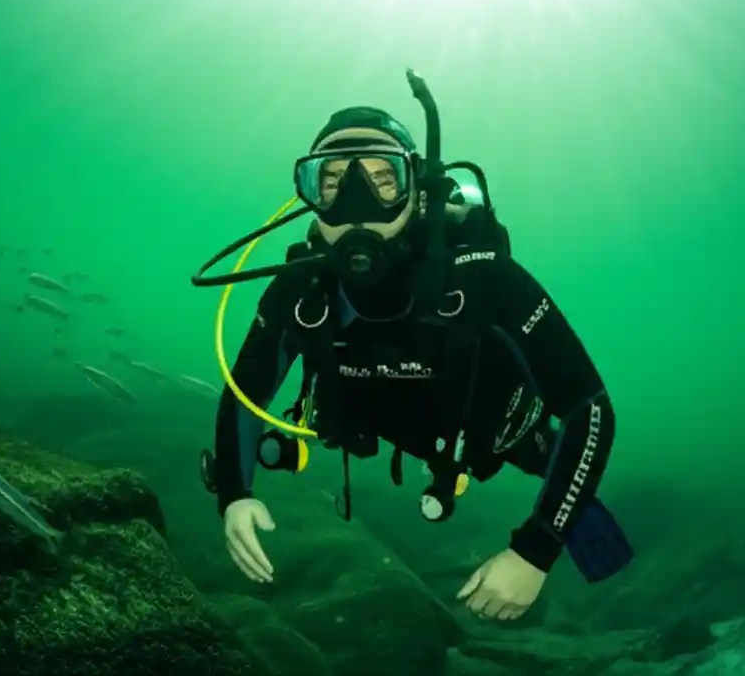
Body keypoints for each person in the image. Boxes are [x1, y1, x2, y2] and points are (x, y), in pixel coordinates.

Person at [202, 95, 632, 621]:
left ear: (418, 193)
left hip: (493, 427)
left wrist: (535, 552)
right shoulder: (302, 290)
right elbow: (245, 394)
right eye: (332, 181)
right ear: (309, 197)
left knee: (566, 484)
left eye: (384, 179)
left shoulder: (482, 276)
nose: (356, 201)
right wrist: (233, 493)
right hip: (381, 421)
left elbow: (589, 408)